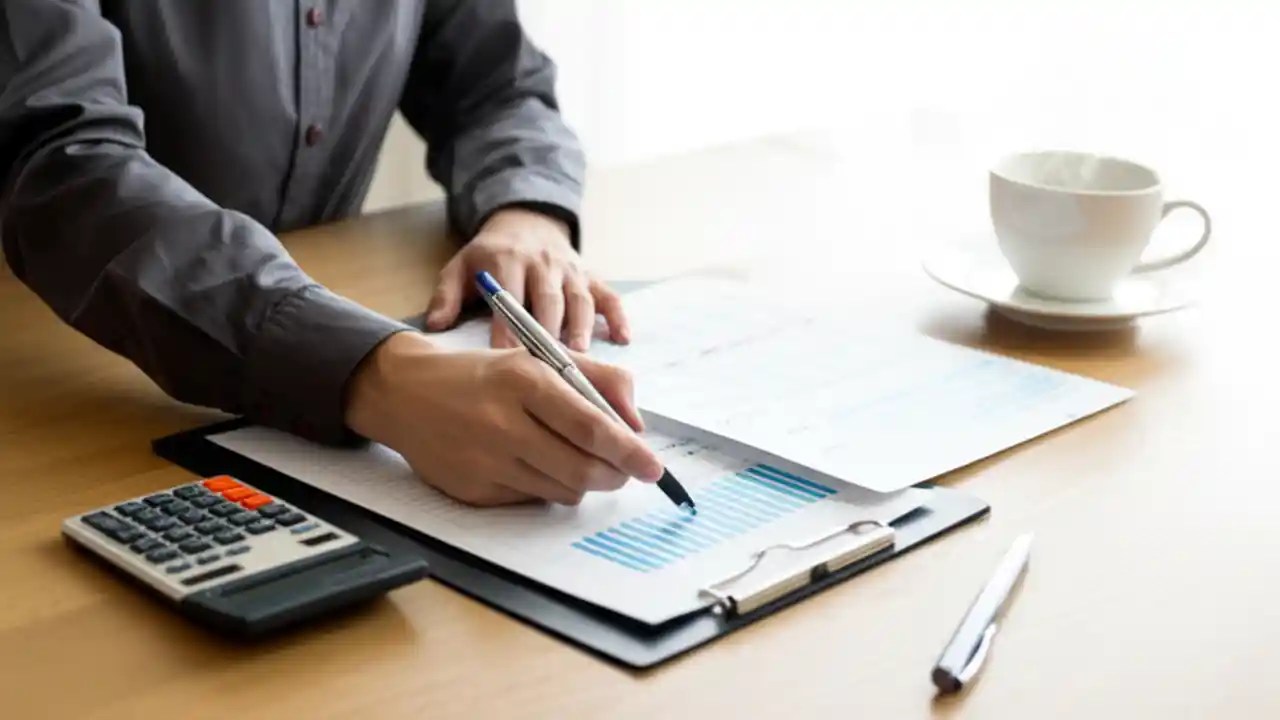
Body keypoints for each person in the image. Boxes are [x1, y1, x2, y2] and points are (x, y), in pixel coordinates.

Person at [0, 1, 664, 506]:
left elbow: (495, 87)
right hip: (47, 392)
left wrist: (528, 213)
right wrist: (378, 377)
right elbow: (64, 166)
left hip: (296, 370)